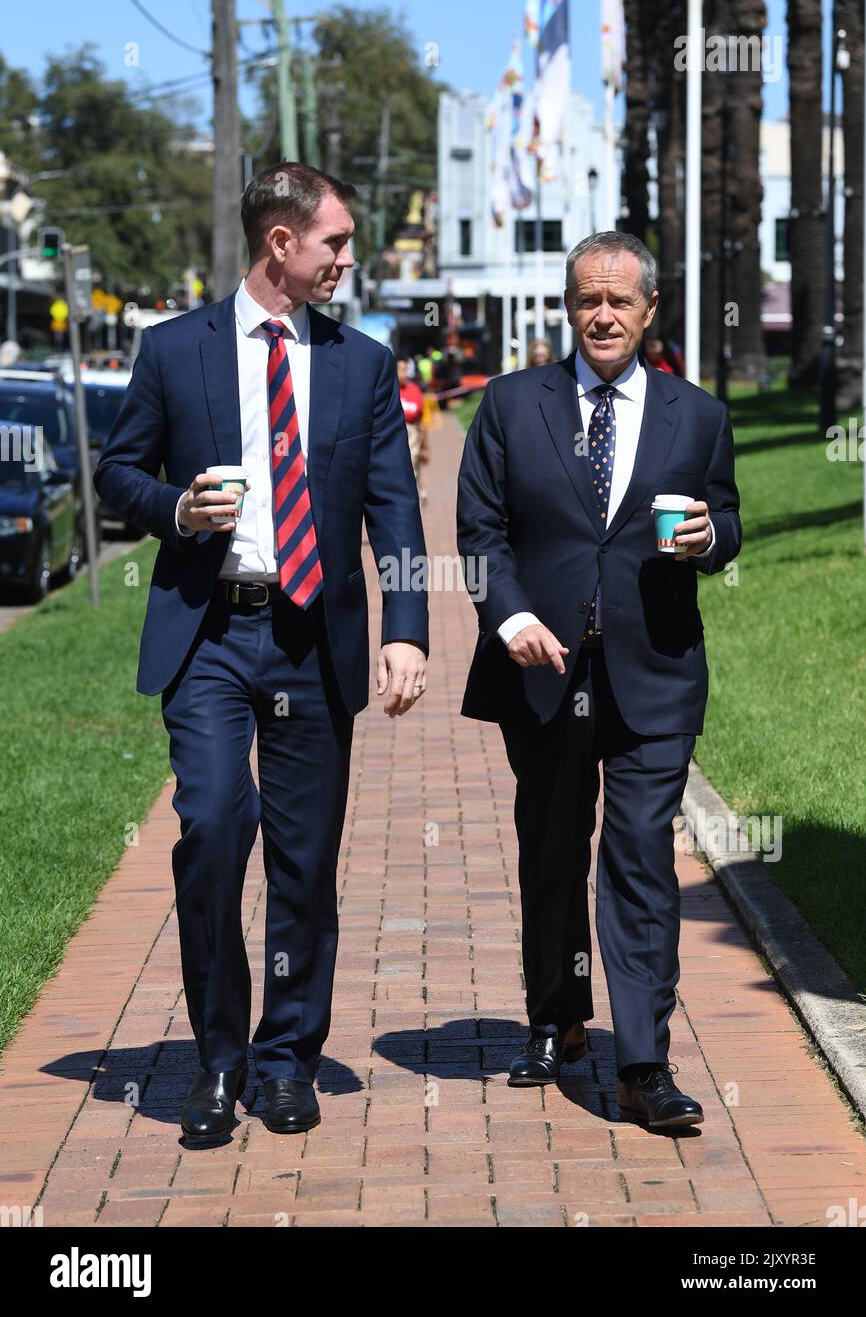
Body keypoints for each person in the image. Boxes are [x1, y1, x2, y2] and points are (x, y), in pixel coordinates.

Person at [95, 161, 429, 1143]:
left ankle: (284, 1062)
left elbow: (394, 508)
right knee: (210, 830)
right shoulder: (172, 350)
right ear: (279, 242)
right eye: (333, 242)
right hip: (207, 633)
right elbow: (118, 471)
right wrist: (174, 508)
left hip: (309, 638)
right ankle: (216, 1060)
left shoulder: (361, 363)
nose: (346, 259)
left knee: (303, 861)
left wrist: (405, 627)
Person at [456, 231, 740, 1130]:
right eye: (587, 299)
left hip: (653, 673)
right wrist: (508, 618)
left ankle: (643, 1062)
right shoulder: (509, 405)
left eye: (620, 300)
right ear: (567, 308)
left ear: (650, 310)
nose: (603, 314)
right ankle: (557, 1019)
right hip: (541, 672)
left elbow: (727, 518)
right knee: (550, 848)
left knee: (640, 858)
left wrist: (710, 540)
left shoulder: (697, 416)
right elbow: (480, 531)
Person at [397, 357, 425, 496]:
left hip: (412, 433)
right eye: (401, 370)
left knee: (413, 465)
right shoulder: (390, 389)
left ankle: (413, 493)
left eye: (406, 369)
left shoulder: (414, 389)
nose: (405, 373)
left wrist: (424, 441)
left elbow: (420, 417)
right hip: (395, 433)